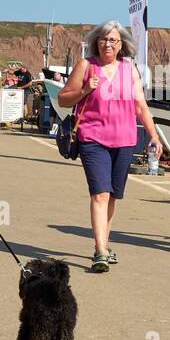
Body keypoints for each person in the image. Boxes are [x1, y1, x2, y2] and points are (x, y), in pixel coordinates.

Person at [57, 20, 161, 272]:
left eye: (113, 39)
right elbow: (62, 99)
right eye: (103, 39)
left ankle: (104, 242)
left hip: (124, 140)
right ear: (96, 42)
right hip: (92, 138)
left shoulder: (129, 69)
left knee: (113, 194)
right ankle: (100, 251)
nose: (108, 44)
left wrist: (154, 135)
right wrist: (83, 90)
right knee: (100, 193)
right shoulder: (87, 66)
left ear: (121, 44)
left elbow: (140, 106)